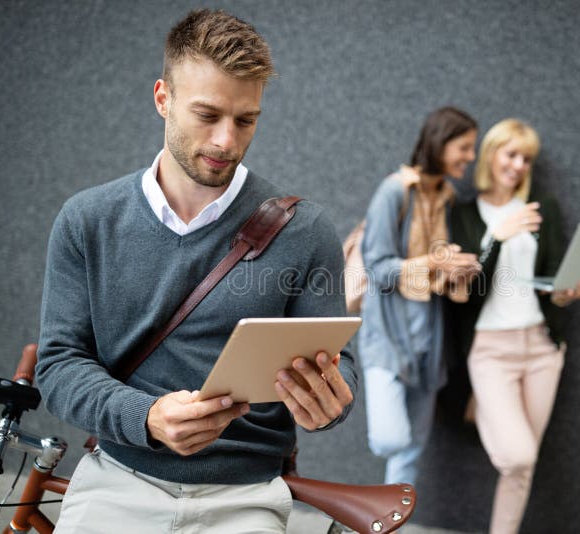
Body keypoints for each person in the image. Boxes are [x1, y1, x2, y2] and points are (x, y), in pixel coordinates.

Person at [35, 9, 356, 533]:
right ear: (163, 98)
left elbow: (341, 364)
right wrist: (145, 417)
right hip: (119, 482)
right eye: (207, 114)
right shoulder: (87, 220)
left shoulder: (307, 231)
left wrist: (331, 401)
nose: (226, 141)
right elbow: (58, 367)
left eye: (245, 120)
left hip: (247, 497)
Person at [447, 119, 580, 533]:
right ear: (490, 155)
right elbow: (468, 291)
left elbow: (552, 280)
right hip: (490, 349)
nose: (518, 165)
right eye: (511, 154)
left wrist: (567, 293)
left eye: (526, 158)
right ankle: (485, 404)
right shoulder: (463, 213)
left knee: (521, 469)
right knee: (518, 456)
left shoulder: (541, 208)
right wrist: (497, 237)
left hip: (542, 347)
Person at [359, 107, 482, 485]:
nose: (470, 157)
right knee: (391, 439)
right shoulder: (395, 191)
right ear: (440, 143)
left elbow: (439, 275)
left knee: (410, 453)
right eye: (464, 147)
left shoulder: (447, 196)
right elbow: (377, 268)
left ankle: (390, 516)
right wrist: (434, 262)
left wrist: (456, 272)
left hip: (428, 342)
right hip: (387, 338)